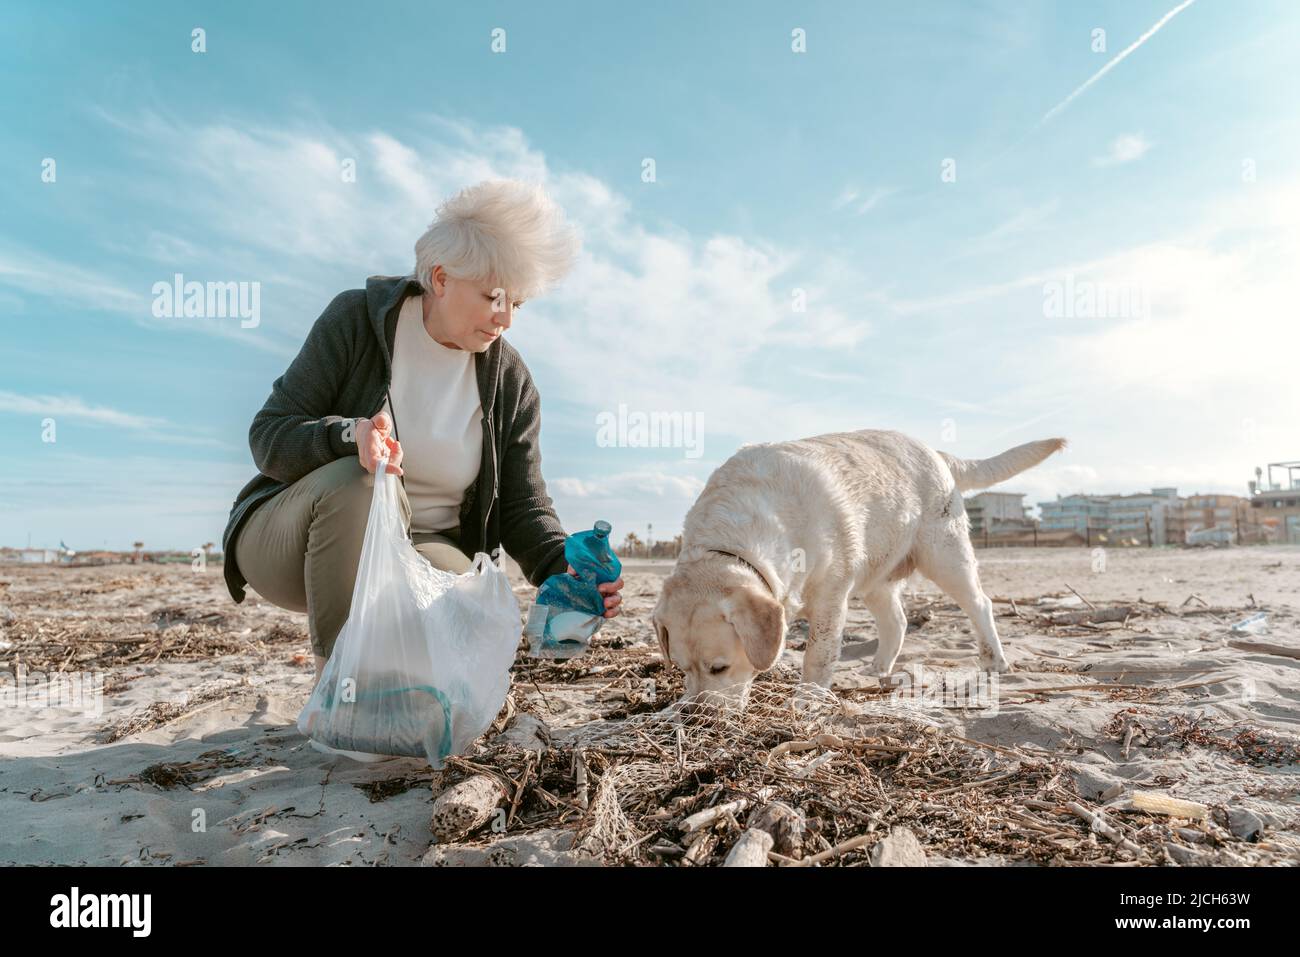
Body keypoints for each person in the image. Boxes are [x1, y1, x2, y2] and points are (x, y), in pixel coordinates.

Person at [220, 179, 624, 683]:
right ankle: (337, 687)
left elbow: (524, 506)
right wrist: (350, 436)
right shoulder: (356, 320)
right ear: (440, 277)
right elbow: (269, 434)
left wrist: (561, 567)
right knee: (361, 480)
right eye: (493, 297)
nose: (505, 319)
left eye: (517, 305)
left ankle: (390, 691)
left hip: (416, 547)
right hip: (292, 543)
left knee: (469, 605)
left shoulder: (510, 382)